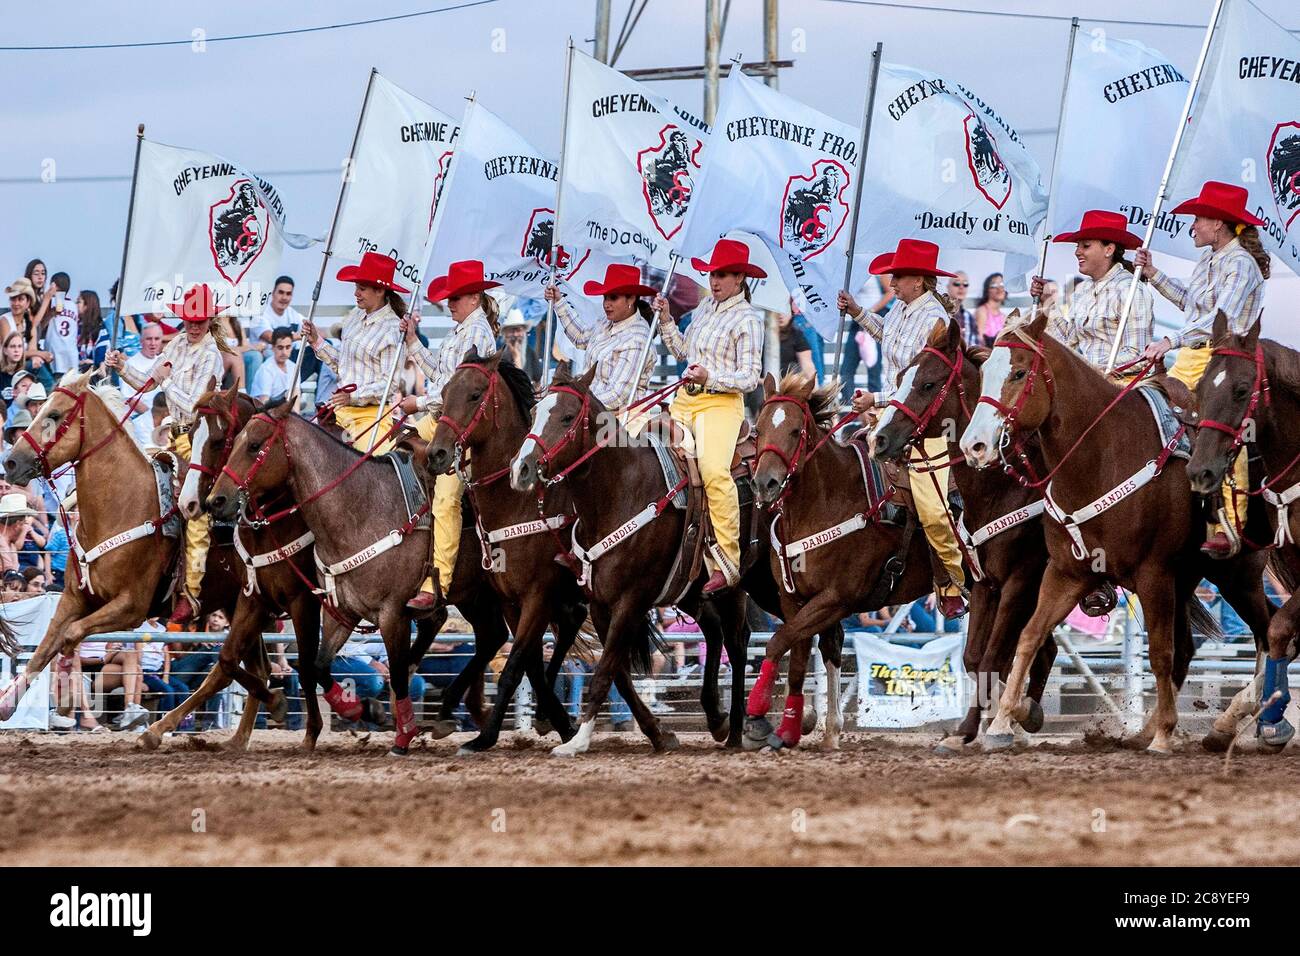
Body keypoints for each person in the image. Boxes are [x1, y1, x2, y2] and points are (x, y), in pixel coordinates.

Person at [1135, 181, 1269, 557]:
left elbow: (1216, 320)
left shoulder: (1241, 263)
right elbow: (1192, 305)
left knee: (1224, 426)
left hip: (1228, 361)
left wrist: (1169, 342)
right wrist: (1154, 274)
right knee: (1148, 410)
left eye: (1199, 218)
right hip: (1197, 357)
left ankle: (1230, 519)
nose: (1192, 225)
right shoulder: (1210, 260)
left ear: (1220, 223)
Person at [838, 238, 968, 619]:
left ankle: (952, 581)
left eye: (898, 276)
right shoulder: (903, 308)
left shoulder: (935, 321)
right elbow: (886, 336)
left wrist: (875, 400)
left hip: (922, 419)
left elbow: (920, 383)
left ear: (918, 280)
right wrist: (860, 312)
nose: (892, 283)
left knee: (934, 510)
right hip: (895, 414)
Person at [107, 283, 230, 627]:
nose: (193, 325)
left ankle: (191, 593)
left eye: (200, 320)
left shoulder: (212, 356)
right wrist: (121, 368)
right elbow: (146, 382)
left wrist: (165, 379)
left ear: (209, 320)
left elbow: (195, 402)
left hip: (197, 437)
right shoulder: (177, 343)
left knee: (196, 513)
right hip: (173, 435)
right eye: (190, 319)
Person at [652, 238, 764, 593]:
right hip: (685, 400)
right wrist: (668, 321)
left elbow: (750, 376)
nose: (715, 280)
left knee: (715, 471)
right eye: (713, 273)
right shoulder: (703, 309)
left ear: (740, 279)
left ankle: (727, 560)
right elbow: (684, 350)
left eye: (724, 274)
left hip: (720, 405)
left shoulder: (748, 318)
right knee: (639, 445)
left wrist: (709, 377)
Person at [401, 259, 500, 613]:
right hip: (440, 420)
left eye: (456, 297)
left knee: (446, 500)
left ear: (474, 298)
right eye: (450, 297)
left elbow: (455, 392)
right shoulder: (464, 330)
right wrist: (412, 341)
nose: (450, 303)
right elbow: (440, 372)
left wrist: (418, 401)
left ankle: (437, 582)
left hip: (460, 428)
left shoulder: (477, 334)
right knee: (390, 455)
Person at [301, 252, 407, 452]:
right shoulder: (353, 317)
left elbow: (389, 384)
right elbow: (344, 364)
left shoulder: (394, 329)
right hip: (340, 410)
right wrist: (317, 341)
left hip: (372, 415)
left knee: (370, 465)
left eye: (362, 288)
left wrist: (353, 397)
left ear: (379, 291)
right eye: (356, 287)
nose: (356, 293)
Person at [1031, 209, 1153, 374]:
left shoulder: (1131, 290)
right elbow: (1067, 341)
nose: (1077, 252)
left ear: (1108, 250)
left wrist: (1088, 370)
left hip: (1120, 385)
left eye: (1085, 246)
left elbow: (1137, 355)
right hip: (1086, 383)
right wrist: (1048, 302)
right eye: (1078, 246)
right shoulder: (1082, 289)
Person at [544, 262, 658, 414]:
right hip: (591, 408)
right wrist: (559, 302)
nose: (606, 304)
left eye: (613, 298)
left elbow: (616, 397)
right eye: (605, 297)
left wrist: (575, 400)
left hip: (620, 418)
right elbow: (581, 337)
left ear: (631, 299)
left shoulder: (637, 340)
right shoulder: (606, 322)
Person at [37, 271, 79, 377]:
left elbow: (40, 326)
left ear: (53, 284)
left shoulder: (51, 302)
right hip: (68, 351)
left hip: (56, 349)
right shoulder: (74, 306)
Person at [250, 326, 295, 402]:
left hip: (283, 408)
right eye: (280, 348)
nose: (284, 352)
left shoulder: (294, 367)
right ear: (273, 347)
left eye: (288, 347)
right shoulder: (266, 369)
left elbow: (296, 395)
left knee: (295, 391)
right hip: (264, 409)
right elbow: (264, 401)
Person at [498, 308, 541, 382]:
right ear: (505, 333)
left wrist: (516, 356)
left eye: (518, 330)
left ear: (524, 332)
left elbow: (537, 380)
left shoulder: (530, 353)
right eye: (511, 330)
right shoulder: (499, 356)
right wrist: (516, 356)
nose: (515, 334)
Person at [777, 305, 815, 380]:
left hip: (790, 382)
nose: (780, 315)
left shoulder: (796, 334)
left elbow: (807, 365)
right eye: (776, 311)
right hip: (762, 383)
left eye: (785, 311)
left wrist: (813, 388)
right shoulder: (759, 334)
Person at [974, 272, 1008, 346]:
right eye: (994, 285)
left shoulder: (1004, 316)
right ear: (987, 290)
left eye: (1002, 284)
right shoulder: (982, 311)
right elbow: (980, 340)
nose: (999, 288)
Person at [75, 290, 103, 371]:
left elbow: (102, 349)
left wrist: (94, 362)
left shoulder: (100, 326)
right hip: (75, 369)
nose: (75, 305)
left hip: (92, 370)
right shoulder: (75, 325)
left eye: (78, 302)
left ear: (87, 305)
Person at [947, 272, 977, 344]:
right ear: (948, 287)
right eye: (957, 283)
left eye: (965, 284)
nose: (961, 287)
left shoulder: (969, 317)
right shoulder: (939, 312)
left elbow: (974, 346)